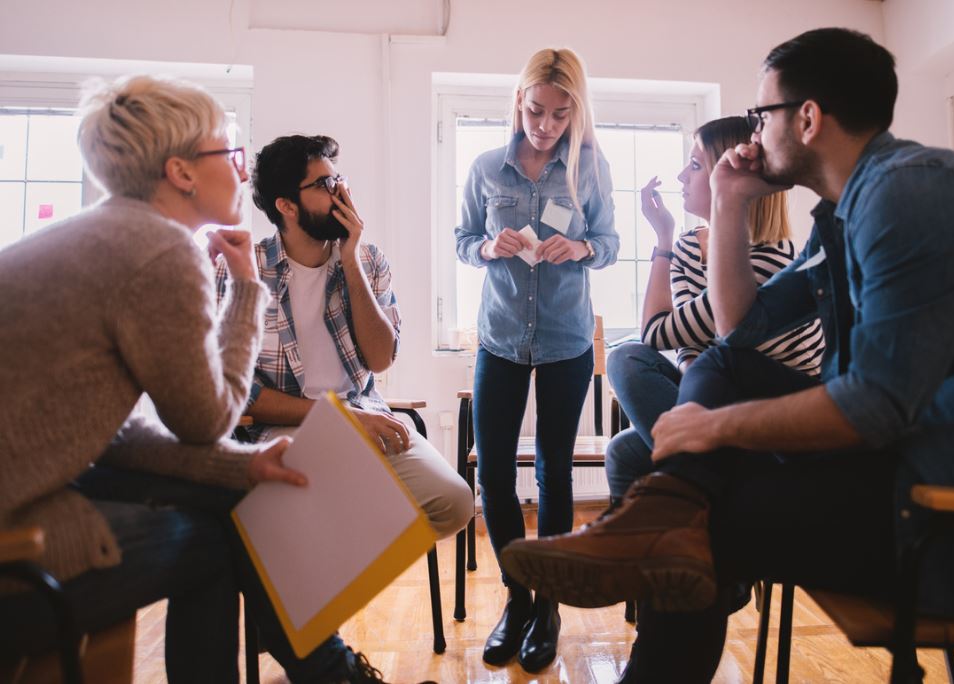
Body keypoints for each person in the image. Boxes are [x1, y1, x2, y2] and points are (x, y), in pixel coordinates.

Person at [501, 28, 954, 682]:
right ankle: (660, 511)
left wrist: (714, 425)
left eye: (761, 115)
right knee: (701, 400)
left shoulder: (907, 199)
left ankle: (653, 522)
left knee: (699, 533)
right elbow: (740, 329)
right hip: (925, 478)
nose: (753, 132)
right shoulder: (855, 206)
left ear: (806, 118)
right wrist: (727, 202)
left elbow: (872, 407)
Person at [0, 75, 388, 683]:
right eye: (230, 154)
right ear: (181, 172)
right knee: (212, 544)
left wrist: (243, 467)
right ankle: (336, 677)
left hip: (40, 493)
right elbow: (207, 420)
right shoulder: (160, 252)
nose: (241, 173)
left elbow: (117, 435)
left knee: (232, 504)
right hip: (14, 559)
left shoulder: (101, 234)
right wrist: (246, 292)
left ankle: (335, 677)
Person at [217, 134, 473, 541]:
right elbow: (236, 392)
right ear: (286, 205)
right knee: (299, 513)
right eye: (322, 185)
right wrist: (339, 418)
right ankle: (324, 573)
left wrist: (350, 259)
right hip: (283, 430)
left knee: (454, 502)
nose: (340, 193)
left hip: (365, 413)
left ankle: (334, 563)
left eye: (339, 180)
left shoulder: (368, 260)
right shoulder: (240, 271)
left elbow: (380, 359)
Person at [454, 47, 619, 671]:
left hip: (565, 343)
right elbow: (462, 240)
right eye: (534, 111)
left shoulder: (591, 169)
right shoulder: (485, 169)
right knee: (493, 473)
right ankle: (517, 599)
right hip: (498, 340)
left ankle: (547, 607)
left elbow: (608, 244)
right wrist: (485, 248)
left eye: (557, 114)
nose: (544, 125)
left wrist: (577, 246)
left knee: (553, 471)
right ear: (518, 102)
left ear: (575, 112)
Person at [606, 115, 823, 500]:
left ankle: (697, 489)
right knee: (623, 446)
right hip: (714, 389)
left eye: (694, 166)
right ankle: (653, 549)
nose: (680, 177)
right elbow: (677, 339)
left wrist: (696, 380)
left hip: (769, 413)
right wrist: (665, 237)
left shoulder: (769, 260)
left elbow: (659, 332)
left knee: (628, 362)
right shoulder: (691, 245)